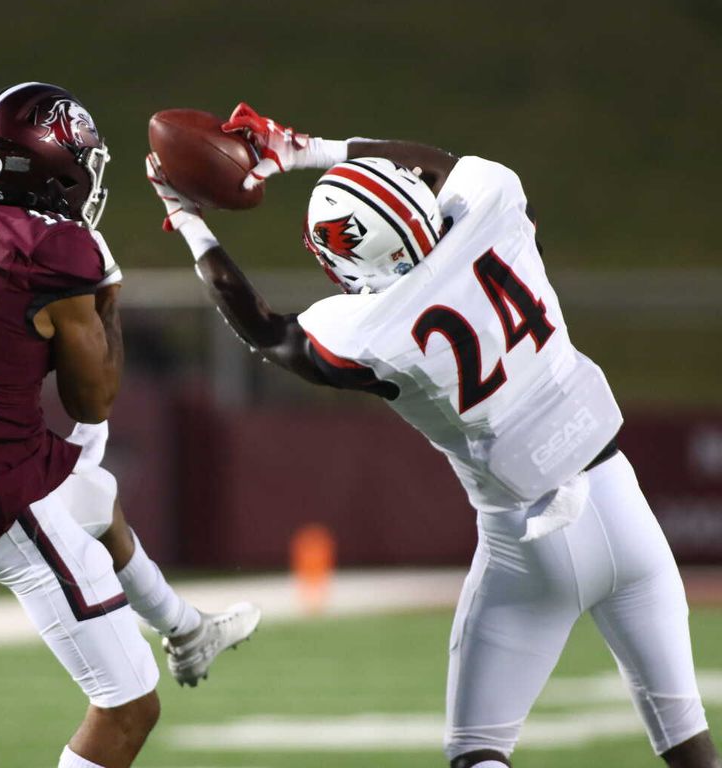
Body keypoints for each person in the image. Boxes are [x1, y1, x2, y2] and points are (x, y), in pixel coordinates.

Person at [146, 103, 720, 768]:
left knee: (478, 751)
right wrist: (306, 150)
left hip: (530, 543)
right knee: (687, 740)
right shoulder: (494, 205)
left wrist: (189, 223)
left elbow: (270, 332)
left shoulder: (374, 330)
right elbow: (441, 164)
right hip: (624, 504)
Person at [0, 83, 260, 768]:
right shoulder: (52, 255)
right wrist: (105, 292)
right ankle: (179, 633)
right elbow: (95, 399)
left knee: (94, 496)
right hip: (1, 496)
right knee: (129, 710)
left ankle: (184, 629)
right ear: (53, 168)